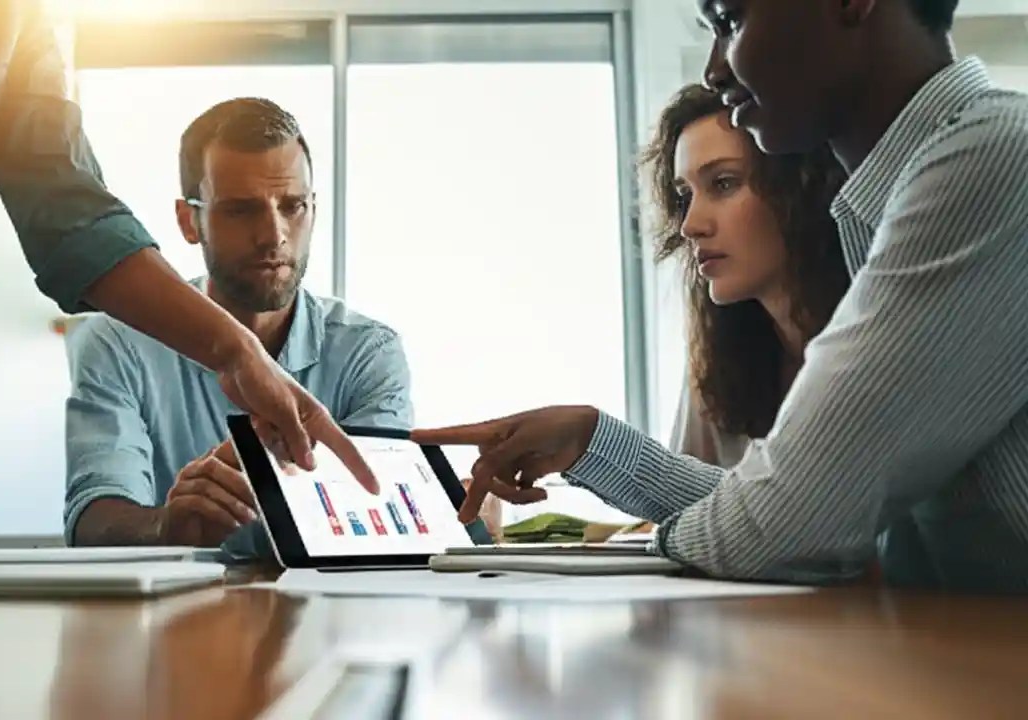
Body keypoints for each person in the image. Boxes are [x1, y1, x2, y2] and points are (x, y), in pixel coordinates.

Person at [417, 0, 1028, 592]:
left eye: (730, 19)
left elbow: (785, 524)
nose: (715, 69)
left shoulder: (992, 158)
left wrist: (619, 554)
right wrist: (594, 444)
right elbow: (790, 509)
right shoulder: (895, 197)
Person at [0, 0, 376, 496]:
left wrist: (237, 353)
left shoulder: (15, 16)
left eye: (293, 205)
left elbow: (63, 201)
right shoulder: (113, 349)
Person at [64, 99, 411, 553]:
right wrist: (166, 527)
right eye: (240, 210)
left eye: (293, 206)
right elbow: (93, 519)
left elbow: (380, 522)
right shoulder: (117, 343)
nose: (274, 234)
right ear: (189, 221)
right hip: (176, 602)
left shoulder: (368, 352)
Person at [647, 84, 847, 467]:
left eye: (723, 183)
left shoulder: (880, 337)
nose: (690, 225)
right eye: (685, 197)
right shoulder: (719, 364)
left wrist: (598, 444)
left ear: (801, 188)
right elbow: (690, 502)